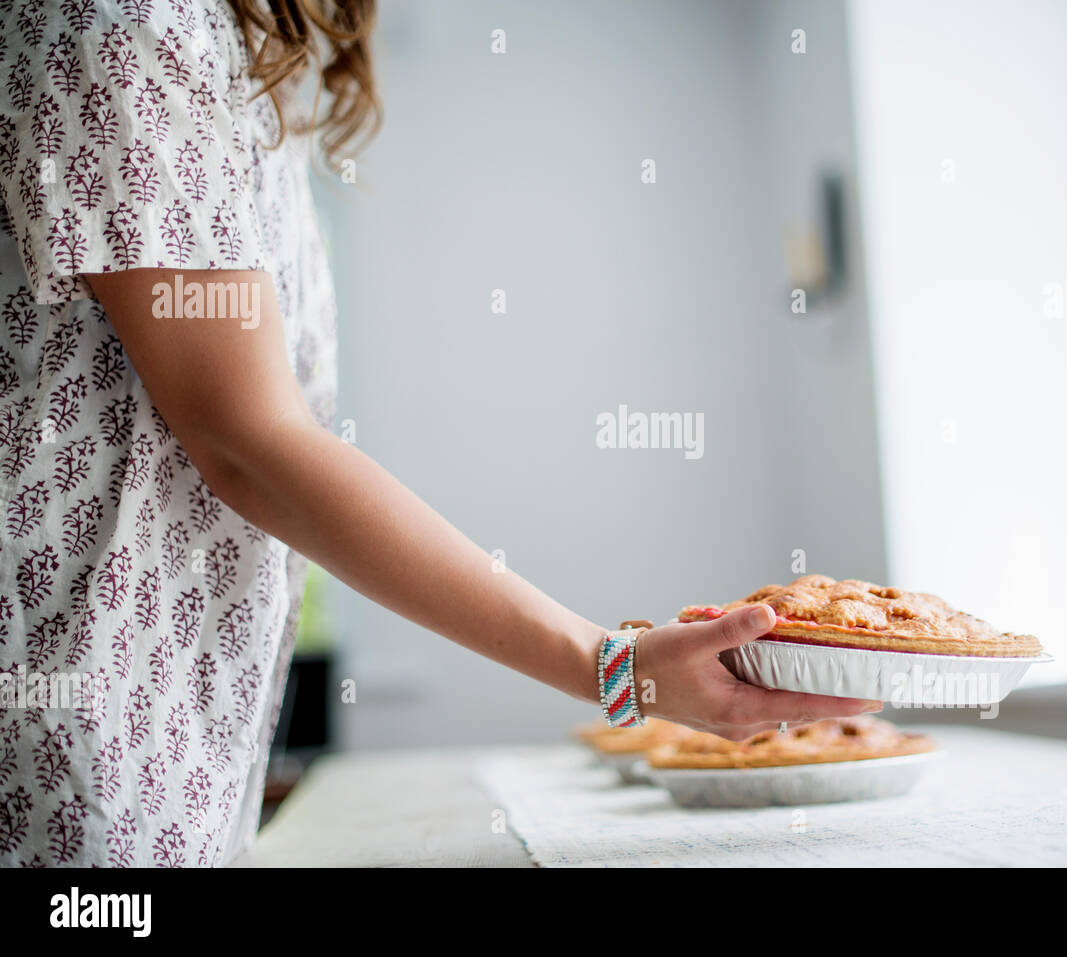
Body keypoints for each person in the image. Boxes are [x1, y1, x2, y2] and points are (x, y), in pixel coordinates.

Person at [0, 0, 873, 867]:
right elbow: (250, 441)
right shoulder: (136, 21)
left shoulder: (244, 60)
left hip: (158, 732)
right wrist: (617, 666)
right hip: (79, 730)